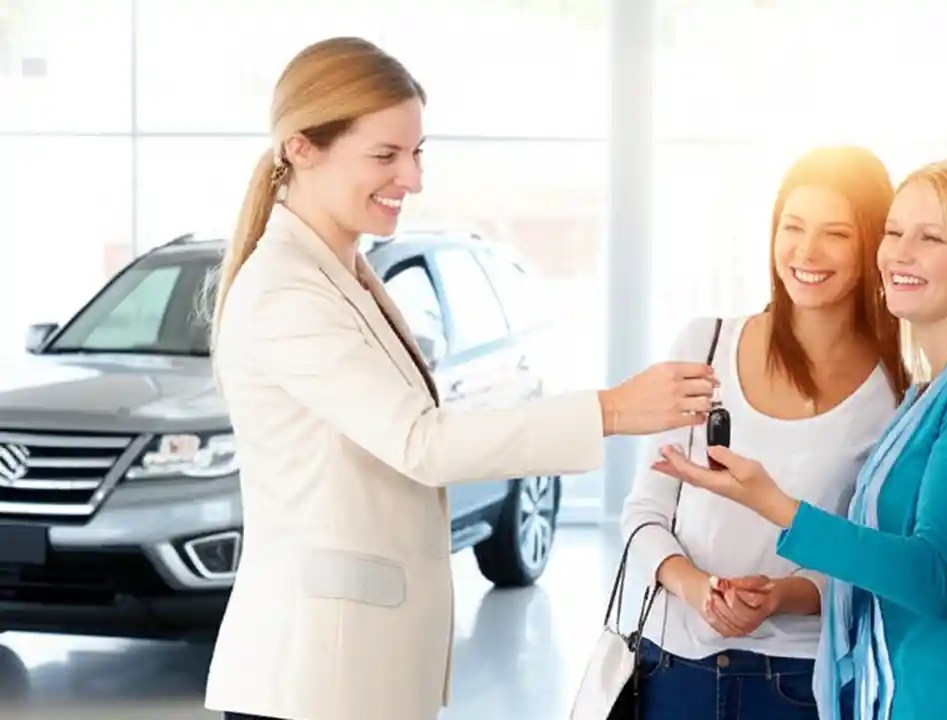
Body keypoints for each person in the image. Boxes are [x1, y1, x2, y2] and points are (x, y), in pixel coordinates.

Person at [203, 37, 717, 720]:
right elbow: (423, 442)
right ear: (301, 148)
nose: (411, 178)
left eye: (417, 153)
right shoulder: (284, 291)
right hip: (313, 680)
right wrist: (610, 411)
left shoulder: (342, 271)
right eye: (385, 155)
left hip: (351, 673)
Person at [653, 157, 947, 720]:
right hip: (881, 688)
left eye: (930, 238)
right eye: (895, 233)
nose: (900, 252)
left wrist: (772, 504)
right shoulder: (929, 389)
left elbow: (934, 576)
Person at [618, 145, 909, 720]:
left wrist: (780, 598)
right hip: (670, 667)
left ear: (872, 244)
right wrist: (696, 589)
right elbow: (644, 512)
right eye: (792, 227)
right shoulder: (705, 346)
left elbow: (866, 556)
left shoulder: (895, 392)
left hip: (797, 682)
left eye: (836, 234)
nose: (806, 251)